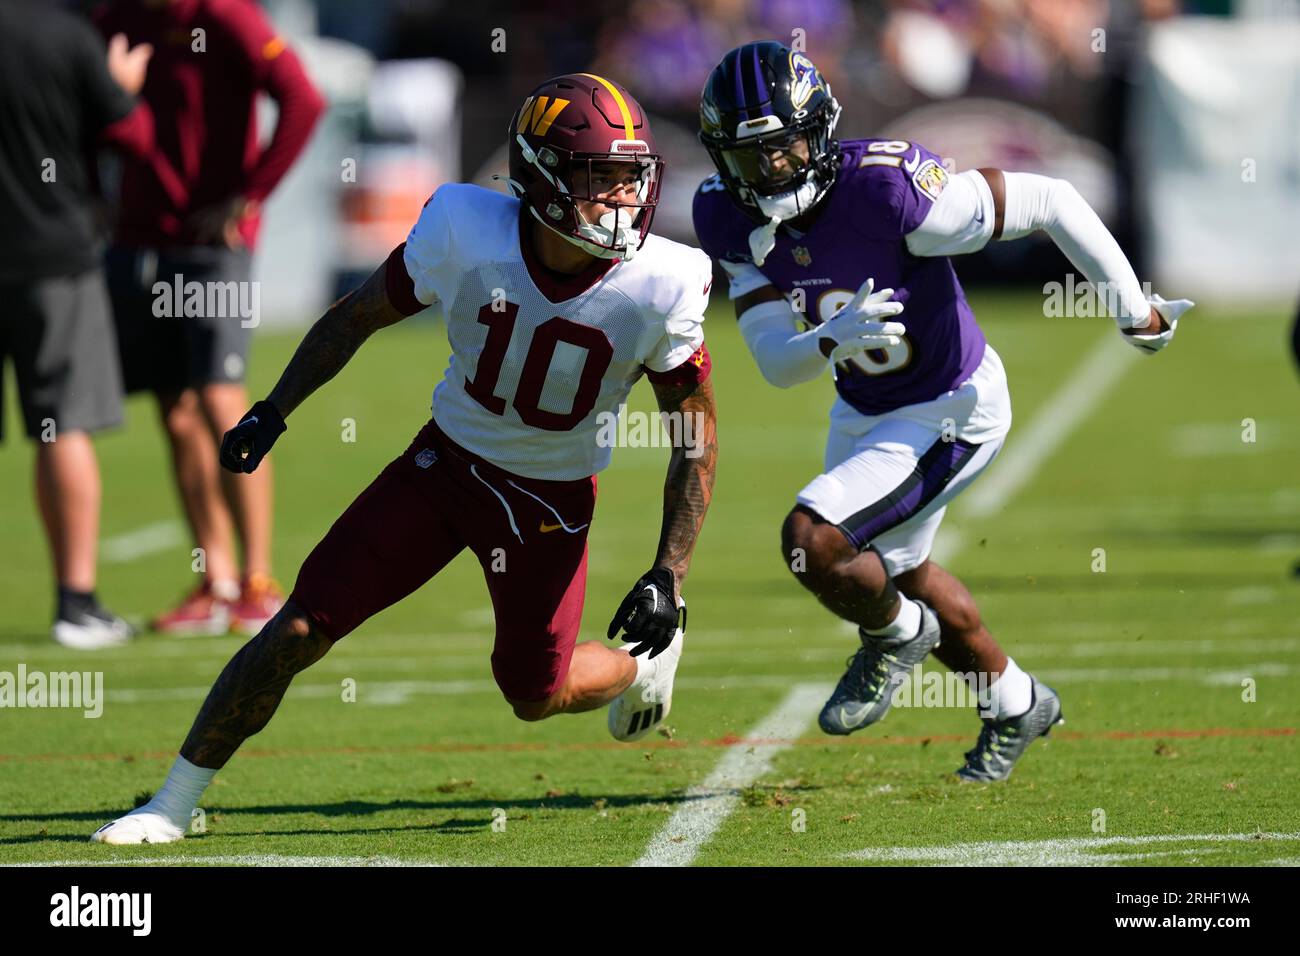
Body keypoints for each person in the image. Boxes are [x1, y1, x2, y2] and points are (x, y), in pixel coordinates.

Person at [92, 73, 718, 844]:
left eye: (631, 180)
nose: (622, 200)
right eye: (598, 178)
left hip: (551, 500)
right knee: (298, 627)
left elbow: (695, 435)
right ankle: (170, 804)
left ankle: (641, 667)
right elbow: (358, 318)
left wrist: (670, 574)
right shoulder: (464, 226)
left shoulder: (667, 279)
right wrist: (274, 410)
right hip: (444, 468)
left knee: (533, 692)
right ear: (541, 174)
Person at [692, 41, 1192, 781]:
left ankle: (895, 639)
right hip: (865, 411)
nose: (765, 174)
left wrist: (1133, 310)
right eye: (745, 158)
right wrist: (827, 341)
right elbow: (775, 364)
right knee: (903, 570)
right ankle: (1017, 702)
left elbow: (1052, 200)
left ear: (819, 131)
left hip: (951, 407)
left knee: (814, 539)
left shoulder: (890, 192)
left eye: (780, 150)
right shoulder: (725, 216)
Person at [94, 0, 326, 635]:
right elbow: (109, 126)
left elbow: (305, 101)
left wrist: (250, 195)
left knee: (219, 393)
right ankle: (216, 580)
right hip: (137, 242)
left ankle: (258, 581)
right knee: (173, 408)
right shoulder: (112, 18)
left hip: (212, 245)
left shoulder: (226, 14)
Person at [0, 0, 155, 648]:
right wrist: (119, 90)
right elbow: (136, 136)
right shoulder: (68, 35)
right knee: (61, 425)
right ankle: (77, 604)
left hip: (43, 254)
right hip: (52, 257)